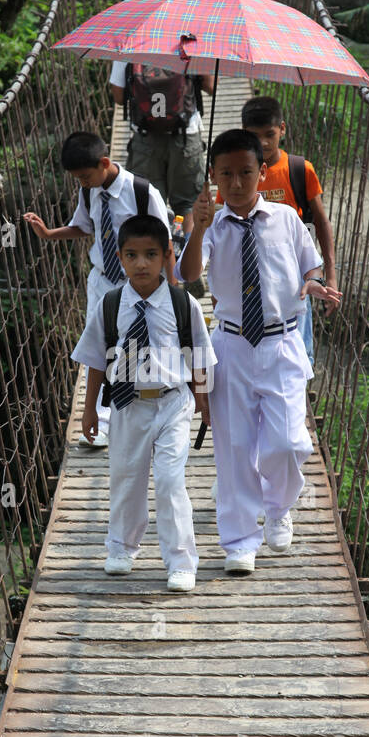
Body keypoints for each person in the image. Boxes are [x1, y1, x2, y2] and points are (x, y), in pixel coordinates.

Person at [178, 129, 342, 574]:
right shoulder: (207, 222)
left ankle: (277, 506)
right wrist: (197, 228)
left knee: (290, 443)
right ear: (212, 175)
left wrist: (314, 284)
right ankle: (239, 542)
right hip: (230, 345)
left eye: (245, 173)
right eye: (225, 174)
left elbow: (308, 267)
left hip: (282, 343)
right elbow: (189, 275)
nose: (235, 183)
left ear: (262, 172)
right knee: (233, 448)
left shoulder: (287, 218)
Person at [72, 213, 215, 592]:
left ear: (168, 255)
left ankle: (181, 561)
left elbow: (200, 356)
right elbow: (95, 358)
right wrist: (90, 410)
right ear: (119, 257)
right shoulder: (110, 304)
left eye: (151, 254)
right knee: (126, 479)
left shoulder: (185, 304)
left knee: (169, 481)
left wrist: (204, 403)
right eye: (132, 255)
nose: (141, 263)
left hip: (172, 404)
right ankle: (121, 546)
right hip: (125, 404)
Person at [24, 131, 172, 450]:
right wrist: (50, 234)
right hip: (103, 280)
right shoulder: (90, 190)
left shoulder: (142, 193)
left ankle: (143, 417)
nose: (81, 183)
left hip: (138, 285)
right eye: (77, 178)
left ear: (104, 163)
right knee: (100, 350)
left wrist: (169, 291)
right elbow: (85, 227)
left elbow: (166, 244)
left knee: (134, 350)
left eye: (85, 176)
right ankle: (102, 422)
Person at [109, 0, 214, 258]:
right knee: (187, 203)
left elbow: (118, 97)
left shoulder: (128, 37)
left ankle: (160, 264)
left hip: (144, 138)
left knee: (147, 203)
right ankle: (188, 258)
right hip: (185, 135)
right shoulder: (188, 37)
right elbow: (209, 85)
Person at [239, 96, 337, 367]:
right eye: (254, 136)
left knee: (297, 337)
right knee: (252, 345)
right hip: (250, 268)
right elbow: (223, 220)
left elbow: (321, 222)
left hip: (294, 269)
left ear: (282, 129)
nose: (263, 143)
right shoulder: (239, 173)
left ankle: (299, 381)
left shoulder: (299, 169)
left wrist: (330, 275)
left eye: (270, 134)